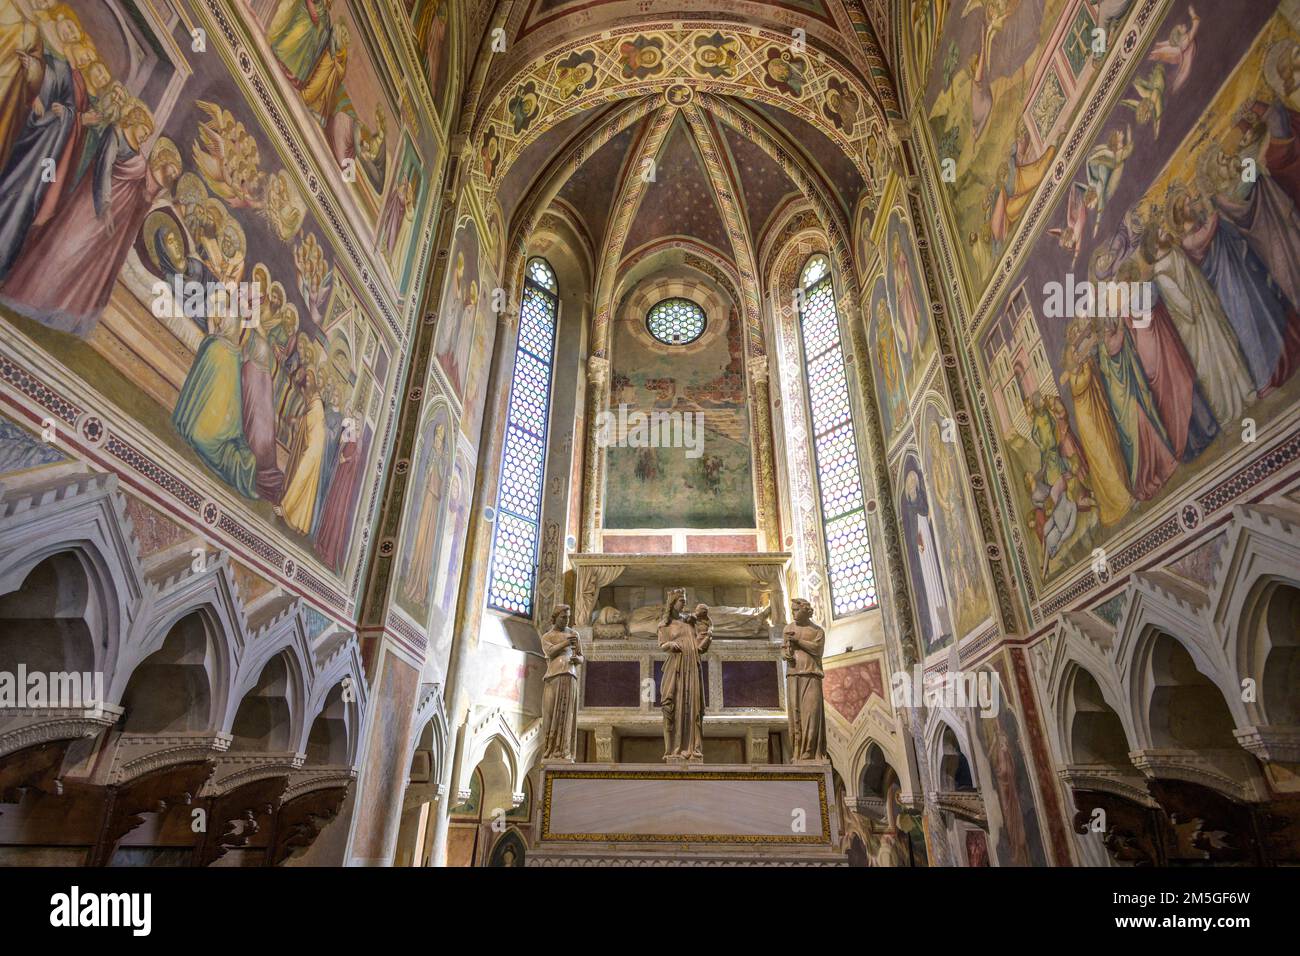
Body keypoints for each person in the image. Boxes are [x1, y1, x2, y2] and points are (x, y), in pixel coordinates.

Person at [658, 588, 708, 761]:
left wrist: (708, 636)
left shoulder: (689, 622)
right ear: (673, 602)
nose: (684, 603)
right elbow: (662, 644)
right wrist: (670, 644)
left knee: (692, 705)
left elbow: (701, 644)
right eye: (681, 600)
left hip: (692, 668)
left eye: (685, 600)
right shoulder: (665, 624)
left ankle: (693, 748)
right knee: (671, 705)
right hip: (676, 667)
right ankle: (673, 749)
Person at [783, 598, 826, 763]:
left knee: (811, 714)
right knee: (796, 717)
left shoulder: (817, 631)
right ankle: (798, 753)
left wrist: (798, 641)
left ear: (805, 610)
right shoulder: (788, 628)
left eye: (795, 610)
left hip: (812, 675)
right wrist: (786, 653)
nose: (793, 613)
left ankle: (810, 751)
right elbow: (783, 651)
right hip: (794, 675)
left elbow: (817, 650)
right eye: (792, 610)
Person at [540, 604, 583, 762]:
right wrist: (565, 643)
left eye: (568, 617)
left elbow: (581, 656)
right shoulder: (547, 636)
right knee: (550, 714)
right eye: (563, 617)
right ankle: (550, 748)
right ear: (555, 617)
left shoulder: (574, 634)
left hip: (569, 675)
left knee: (566, 715)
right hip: (553, 676)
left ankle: (563, 750)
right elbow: (550, 652)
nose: (566, 620)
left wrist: (576, 659)